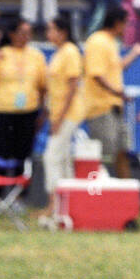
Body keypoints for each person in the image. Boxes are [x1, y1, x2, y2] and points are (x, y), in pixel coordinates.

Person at [81, 6, 140, 180]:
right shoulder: (97, 41)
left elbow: (115, 69)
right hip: (100, 108)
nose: (127, 29)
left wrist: (133, 54)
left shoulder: (110, 42)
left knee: (122, 152)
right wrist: (119, 92)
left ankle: (127, 197)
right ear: (117, 23)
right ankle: (99, 195)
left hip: (114, 108)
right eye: (126, 24)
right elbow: (97, 75)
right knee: (104, 155)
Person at [35, 16, 83, 229]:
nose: (48, 34)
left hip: (69, 114)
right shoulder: (59, 53)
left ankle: (54, 204)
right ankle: (69, 205)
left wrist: (60, 117)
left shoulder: (71, 52)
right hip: (58, 113)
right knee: (62, 159)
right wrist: (48, 114)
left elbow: (73, 87)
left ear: (63, 32)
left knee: (51, 157)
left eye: (51, 29)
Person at [0, 18, 46, 176]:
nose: (26, 37)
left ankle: (20, 195)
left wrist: (43, 113)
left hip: (28, 111)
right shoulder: (0, 54)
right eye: (22, 33)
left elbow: (43, 87)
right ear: (11, 34)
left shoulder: (37, 56)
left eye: (29, 33)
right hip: (3, 111)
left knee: (24, 154)